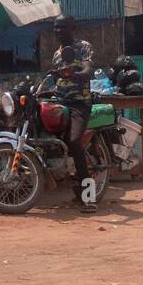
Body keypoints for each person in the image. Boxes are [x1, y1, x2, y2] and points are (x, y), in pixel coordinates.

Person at [50, 15, 97, 213]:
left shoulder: (83, 46)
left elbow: (88, 71)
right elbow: (58, 81)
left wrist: (74, 74)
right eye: (56, 28)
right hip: (61, 102)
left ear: (72, 27)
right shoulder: (57, 54)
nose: (59, 31)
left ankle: (89, 198)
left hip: (79, 103)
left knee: (75, 142)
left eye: (63, 27)